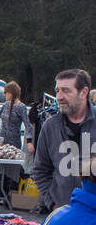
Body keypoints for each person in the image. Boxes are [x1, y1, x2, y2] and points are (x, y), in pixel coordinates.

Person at [32, 68, 96, 210]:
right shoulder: (50, 126)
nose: (59, 97)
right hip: (63, 214)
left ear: (84, 92)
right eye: (57, 90)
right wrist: (52, 203)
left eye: (66, 91)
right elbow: (40, 170)